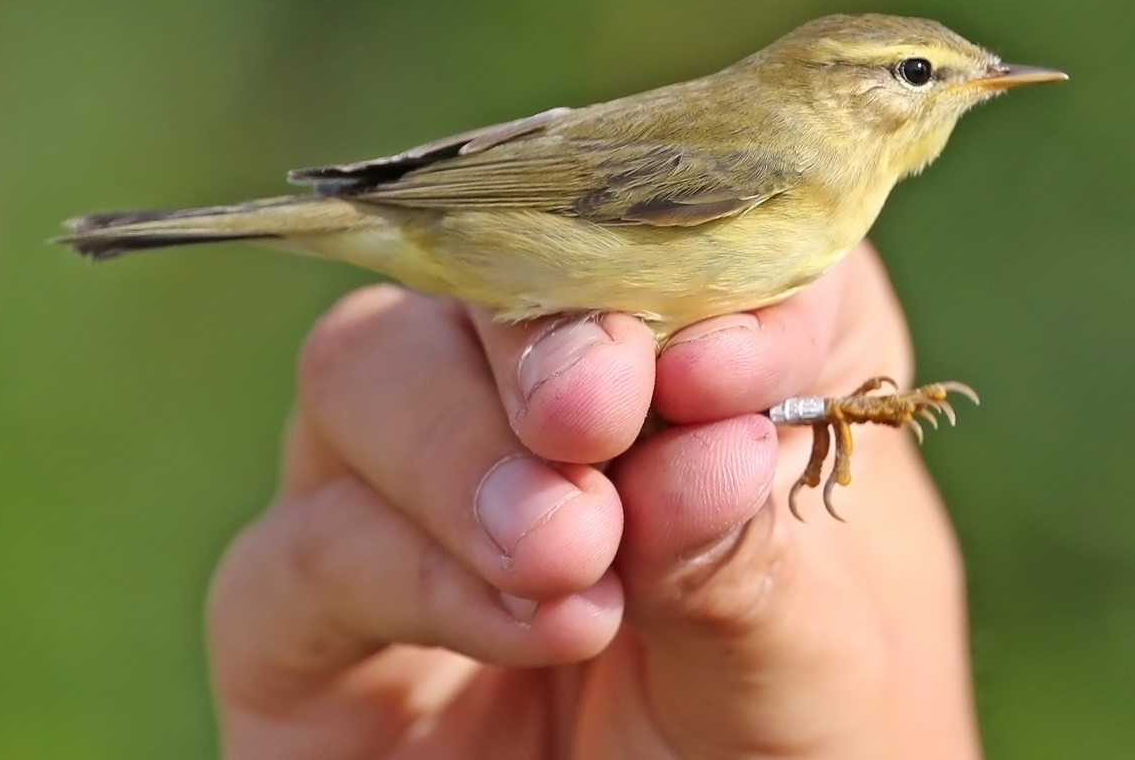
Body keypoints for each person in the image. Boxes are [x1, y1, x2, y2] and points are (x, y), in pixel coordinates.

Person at [207, 241, 982, 758]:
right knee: (617, 400)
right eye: (912, 72)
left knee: (647, 403)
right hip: (514, 237)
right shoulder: (785, 162)